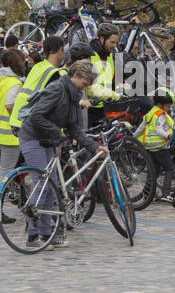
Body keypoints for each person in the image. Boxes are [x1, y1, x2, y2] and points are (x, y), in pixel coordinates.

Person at [17, 59, 107, 248]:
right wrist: (57, 132)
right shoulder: (58, 89)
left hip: (47, 139)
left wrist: (94, 147)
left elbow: (74, 128)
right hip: (32, 137)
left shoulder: (73, 95)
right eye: (85, 83)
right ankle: (33, 235)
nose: (85, 88)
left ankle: (46, 233)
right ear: (76, 76)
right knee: (44, 184)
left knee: (53, 186)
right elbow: (36, 116)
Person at [0, 48, 28, 181]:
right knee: (5, 172)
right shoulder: (15, 83)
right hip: (9, 133)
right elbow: (9, 105)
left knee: (5, 169)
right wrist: (22, 116)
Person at [137, 87, 175, 203]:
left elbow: (141, 127)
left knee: (153, 171)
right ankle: (166, 193)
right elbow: (160, 131)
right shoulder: (161, 115)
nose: (169, 108)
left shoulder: (151, 113)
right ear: (160, 104)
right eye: (168, 106)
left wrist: (133, 138)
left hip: (150, 148)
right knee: (169, 169)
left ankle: (148, 193)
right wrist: (169, 135)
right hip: (160, 148)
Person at [86, 22, 123, 129]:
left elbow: (109, 80)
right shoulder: (89, 55)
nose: (114, 46)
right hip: (88, 109)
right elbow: (90, 88)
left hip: (103, 106)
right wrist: (114, 95)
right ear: (102, 39)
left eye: (116, 42)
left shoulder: (109, 55)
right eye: (112, 42)